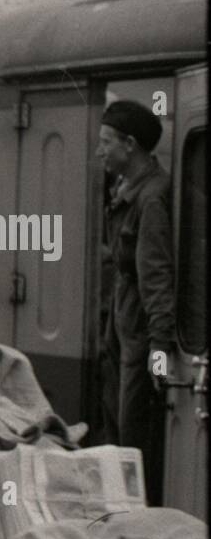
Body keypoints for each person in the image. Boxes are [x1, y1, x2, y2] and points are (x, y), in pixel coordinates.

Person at [96, 99, 175, 505]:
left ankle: (136, 520)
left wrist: (159, 351)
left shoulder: (152, 198)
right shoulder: (127, 187)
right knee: (115, 420)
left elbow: (156, 276)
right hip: (123, 320)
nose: (99, 151)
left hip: (142, 331)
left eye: (106, 142)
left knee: (133, 434)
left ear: (130, 144)